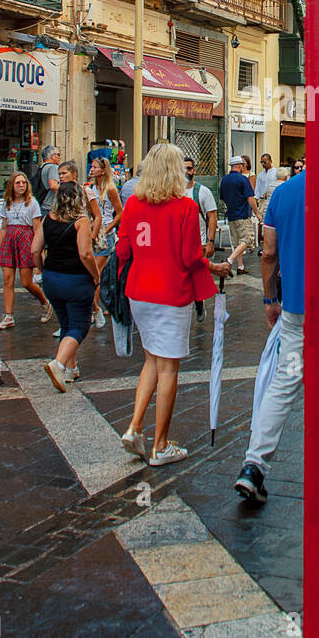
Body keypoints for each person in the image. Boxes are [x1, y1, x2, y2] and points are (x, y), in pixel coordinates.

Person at [116, 143, 231, 464]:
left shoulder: (134, 205)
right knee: (168, 369)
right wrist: (215, 267)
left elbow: (123, 251)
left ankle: (135, 427)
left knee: (151, 359)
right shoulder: (183, 208)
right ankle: (160, 444)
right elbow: (189, 257)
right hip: (171, 293)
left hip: (138, 291)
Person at [235, 162, 305, 504]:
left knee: (284, 382)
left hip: (296, 311)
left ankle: (254, 465)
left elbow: (269, 253)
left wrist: (269, 300)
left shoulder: (283, 193)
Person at [32, 182, 100, 392]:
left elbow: (35, 250)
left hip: (52, 278)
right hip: (76, 279)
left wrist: (42, 269)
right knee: (80, 326)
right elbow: (85, 254)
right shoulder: (81, 221)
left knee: (66, 323)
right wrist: (96, 276)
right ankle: (59, 364)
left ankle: (70, 370)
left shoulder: (48, 220)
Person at [0, 171, 52, 329]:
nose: (21, 186)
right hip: (10, 239)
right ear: (12, 185)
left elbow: (37, 227)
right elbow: (4, 227)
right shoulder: (7, 202)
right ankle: (8, 316)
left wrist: (38, 249)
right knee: (8, 280)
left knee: (26, 282)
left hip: (26, 239)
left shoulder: (32, 203)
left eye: (24, 183)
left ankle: (45, 302)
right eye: (18, 183)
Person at [86, 156, 123, 328]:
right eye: (91, 167)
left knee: (96, 272)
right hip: (93, 231)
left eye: (95, 167)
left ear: (102, 170)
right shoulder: (91, 188)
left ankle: (94, 309)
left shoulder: (110, 189)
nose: (91, 170)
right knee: (91, 271)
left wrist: (108, 229)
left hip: (105, 233)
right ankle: (96, 306)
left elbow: (120, 212)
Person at [183, 156, 217, 321]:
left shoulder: (203, 191)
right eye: (183, 168)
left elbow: (212, 216)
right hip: (179, 244)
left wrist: (211, 241)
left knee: (196, 277)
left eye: (189, 168)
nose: (186, 172)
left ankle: (198, 302)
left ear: (194, 170)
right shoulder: (173, 192)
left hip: (200, 243)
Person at [218, 155, 258, 273]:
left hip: (231, 215)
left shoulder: (224, 179)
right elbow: (250, 197)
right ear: (240, 166)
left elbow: (223, 198)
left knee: (237, 242)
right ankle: (229, 260)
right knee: (247, 240)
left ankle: (240, 267)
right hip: (243, 214)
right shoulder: (242, 179)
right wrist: (257, 212)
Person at [38, 145, 61, 212]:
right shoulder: (53, 167)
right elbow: (53, 186)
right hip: (49, 207)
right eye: (58, 155)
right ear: (52, 156)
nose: (59, 157)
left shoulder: (42, 167)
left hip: (42, 205)